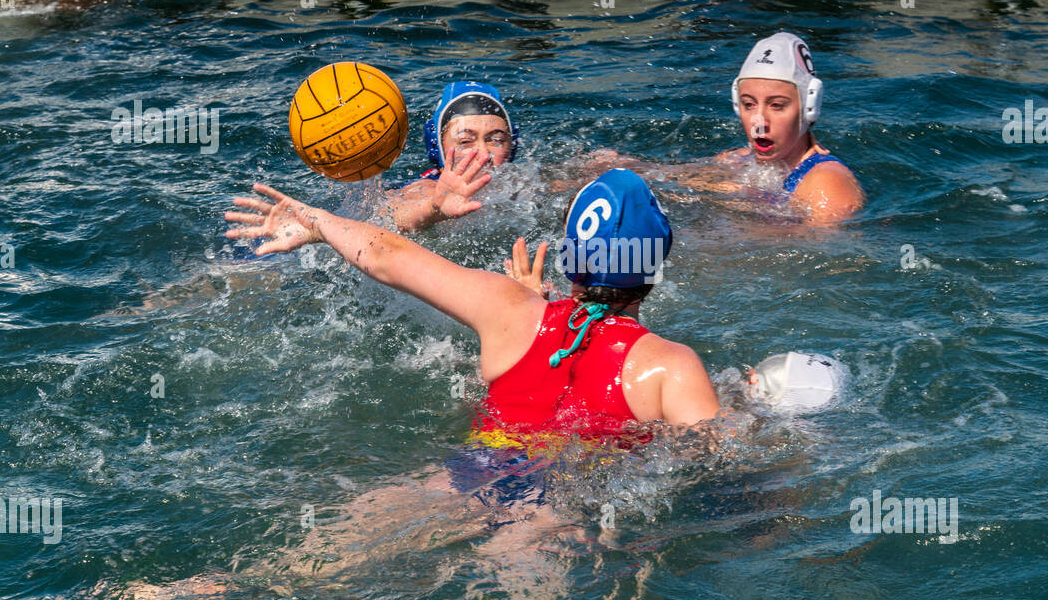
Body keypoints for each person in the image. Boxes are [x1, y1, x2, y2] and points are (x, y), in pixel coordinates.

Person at [225, 168, 719, 444]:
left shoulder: (507, 309)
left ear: (571, 261)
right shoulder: (672, 369)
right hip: (562, 519)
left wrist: (313, 220)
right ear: (656, 269)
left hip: (472, 481)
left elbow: (387, 256)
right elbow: (718, 469)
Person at [587, 31, 865, 225]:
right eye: (748, 104)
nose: (759, 121)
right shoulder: (737, 160)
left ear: (808, 109)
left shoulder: (827, 183)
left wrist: (742, 204)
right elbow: (672, 178)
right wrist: (622, 168)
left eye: (777, 106)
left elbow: (821, 253)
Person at [379, 81, 518, 232]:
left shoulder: (521, 184)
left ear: (511, 146)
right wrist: (433, 208)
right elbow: (381, 218)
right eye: (465, 141)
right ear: (438, 148)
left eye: (496, 140)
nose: (484, 154)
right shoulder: (426, 189)